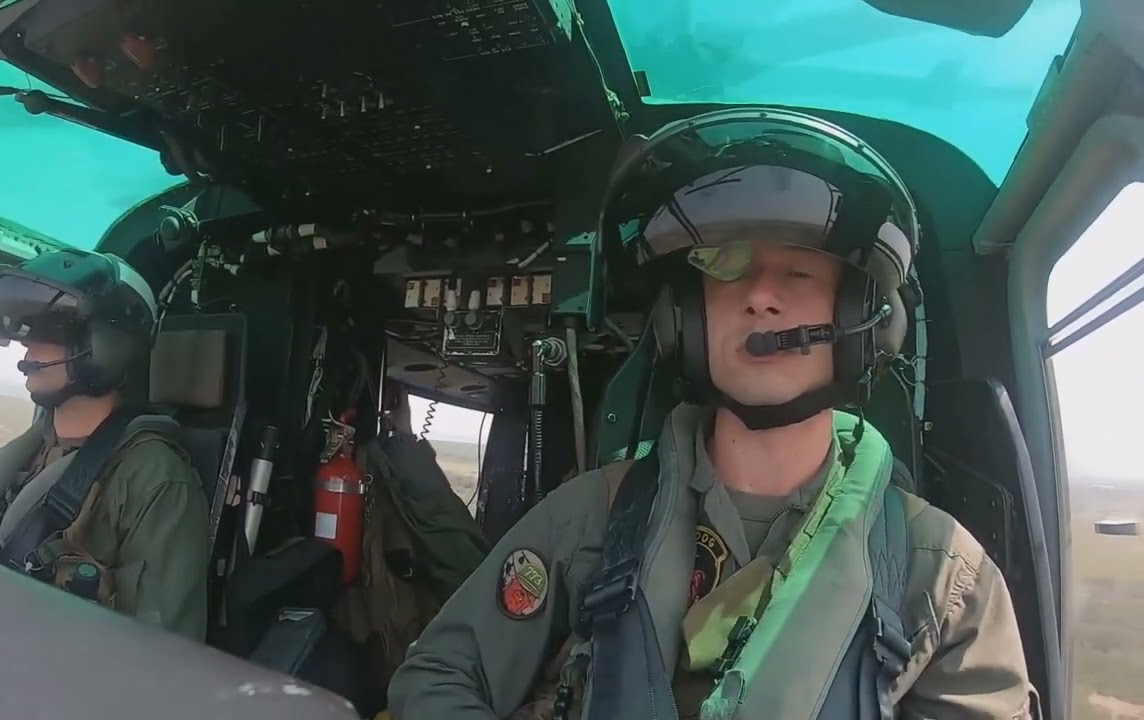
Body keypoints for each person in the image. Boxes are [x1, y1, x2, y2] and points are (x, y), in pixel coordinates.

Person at [387, 108, 1038, 719]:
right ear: (682, 322)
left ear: (861, 323)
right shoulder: (588, 519)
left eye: (799, 274)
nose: (758, 296)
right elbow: (439, 677)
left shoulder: (941, 573)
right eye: (726, 269)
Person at [0, 247, 210, 641]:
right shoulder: (18, 457)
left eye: (50, 329)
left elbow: (166, 661)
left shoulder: (156, 480)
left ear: (107, 341)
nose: (25, 348)